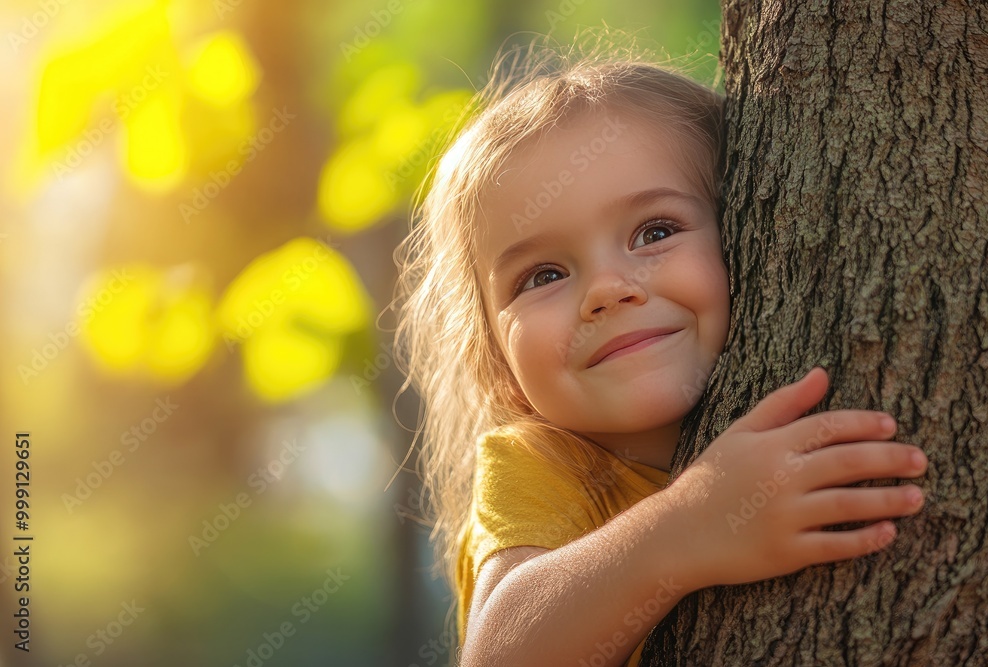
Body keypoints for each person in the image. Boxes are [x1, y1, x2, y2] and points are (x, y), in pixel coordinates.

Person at [392, 43, 929, 667]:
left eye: (655, 232)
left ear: (755, 233)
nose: (606, 290)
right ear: (495, 356)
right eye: (541, 275)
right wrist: (688, 524)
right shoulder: (542, 465)